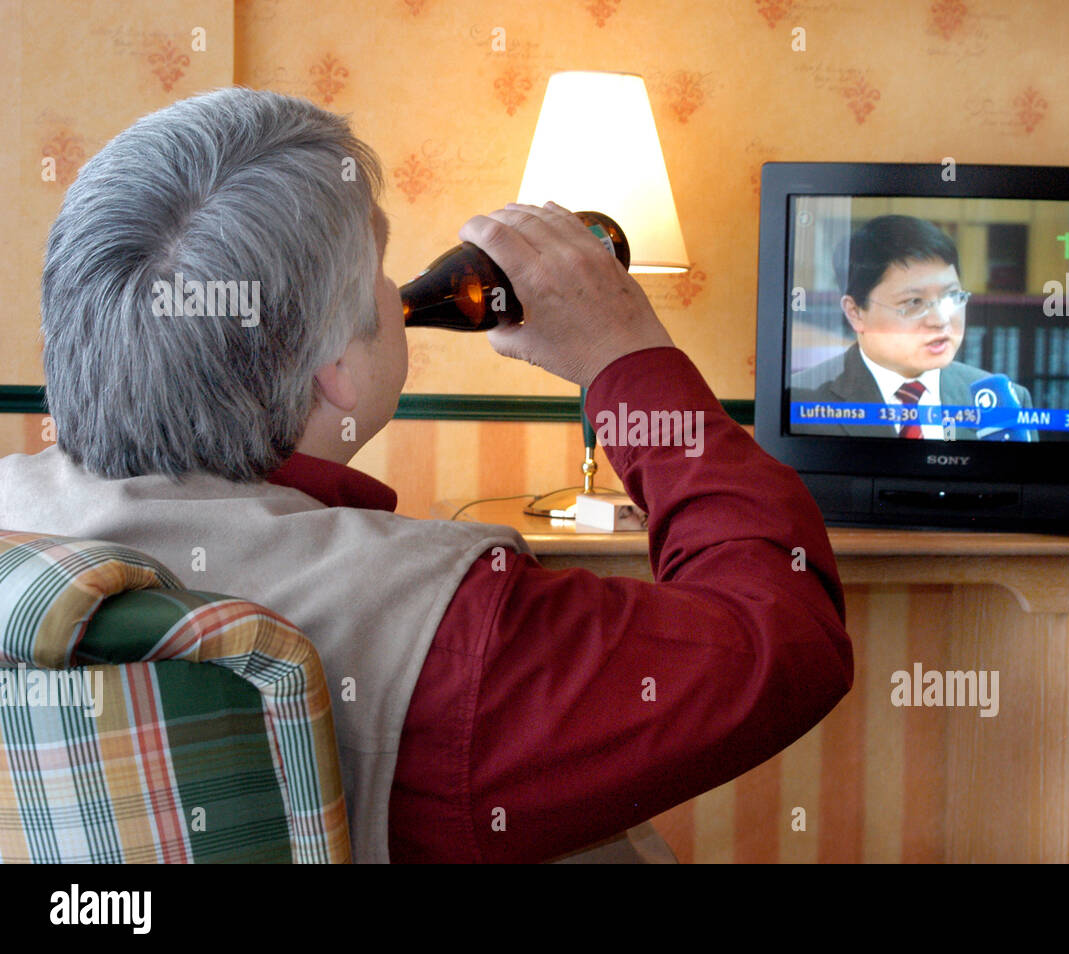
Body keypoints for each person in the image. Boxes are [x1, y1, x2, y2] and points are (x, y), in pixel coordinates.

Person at [0, 88, 853, 863]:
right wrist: (626, 356)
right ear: (335, 364)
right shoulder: (445, 634)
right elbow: (783, 637)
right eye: (380, 267)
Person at [790, 215, 1036, 440]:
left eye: (952, 296)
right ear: (855, 312)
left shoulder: (1004, 403)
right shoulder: (801, 400)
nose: (940, 320)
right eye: (914, 302)